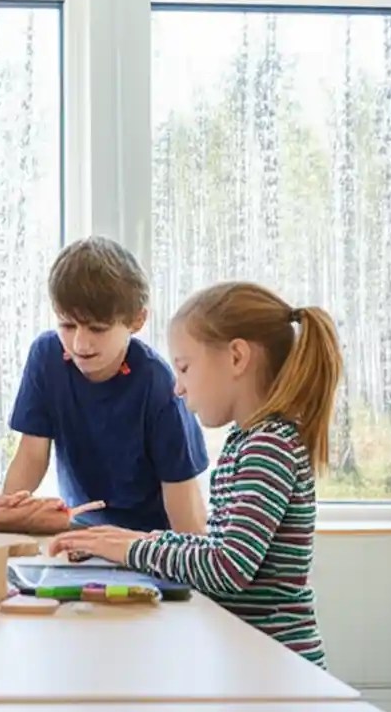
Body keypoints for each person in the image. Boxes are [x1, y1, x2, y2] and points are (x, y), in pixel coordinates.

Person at [51, 282, 339, 668]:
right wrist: (132, 539)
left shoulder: (267, 447)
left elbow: (227, 567)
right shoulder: (248, 441)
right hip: (250, 661)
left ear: (237, 357)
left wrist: (130, 548)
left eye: (185, 367)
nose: (178, 386)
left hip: (277, 668)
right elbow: (213, 548)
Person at [0, 237, 209, 535]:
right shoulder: (46, 356)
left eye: (97, 328)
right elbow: (31, 454)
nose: (80, 343)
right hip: (81, 532)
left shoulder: (158, 386)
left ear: (137, 320)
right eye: (67, 326)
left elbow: (185, 509)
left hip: (146, 542)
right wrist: (5, 519)